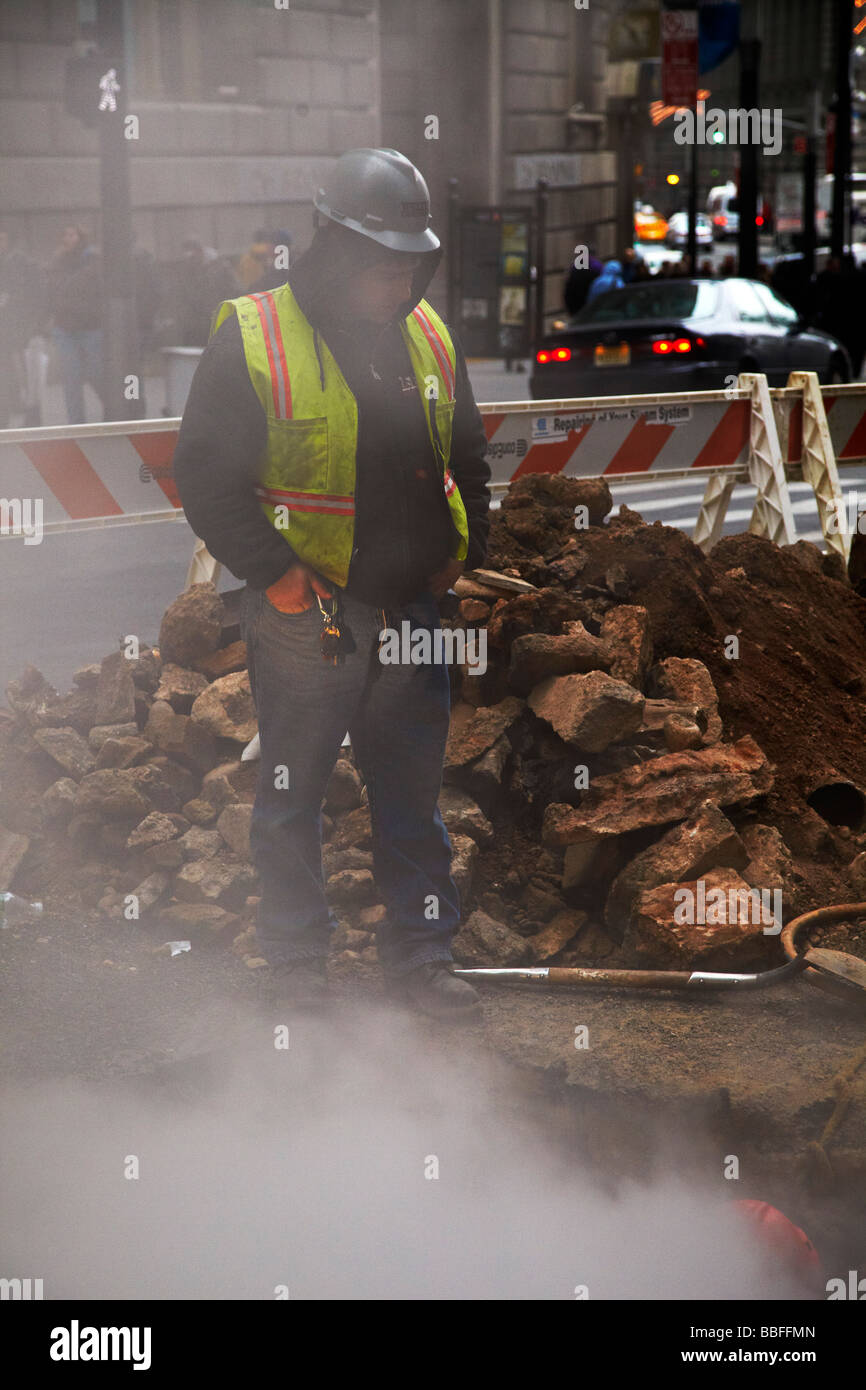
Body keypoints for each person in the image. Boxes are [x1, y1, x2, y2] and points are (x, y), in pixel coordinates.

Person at [173, 148, 492, 1021]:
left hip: (410, 611)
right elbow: (202, 475)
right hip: (308, 612)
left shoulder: (425, 333)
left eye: (410, 264)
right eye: (383, 263)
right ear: (337, 248)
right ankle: (295, 963)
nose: (399, 281)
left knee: (411, 796)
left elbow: (466, 457)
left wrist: (465, 543)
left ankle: (422, 957)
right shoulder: (254, 331)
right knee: (291, 793)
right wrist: (275, 577)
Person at [47, 224, 104, 423]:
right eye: (65, 234)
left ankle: (112, 410)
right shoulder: (57, 260)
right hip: (65, 327)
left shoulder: (92, 259)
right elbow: (54, 289)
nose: (68, 238)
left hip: (89, 326)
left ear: (80, 236)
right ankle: (76, 423)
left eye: (72, 234)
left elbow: (91, 287)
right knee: (71, 378)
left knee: (97, 374)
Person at [174, 237, 239, 346]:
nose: (191, 259)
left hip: (218, 316)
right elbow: (185, 294)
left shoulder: (220, 266)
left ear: (200, 251)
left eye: (192, 256)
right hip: (197, 320)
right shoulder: (188, 269)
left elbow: (234, 289)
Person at [563, 244, 602, 315]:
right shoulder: (596, 266)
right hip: (588, 301)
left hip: (575, 300)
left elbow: (569, 285)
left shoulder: (575, 266)